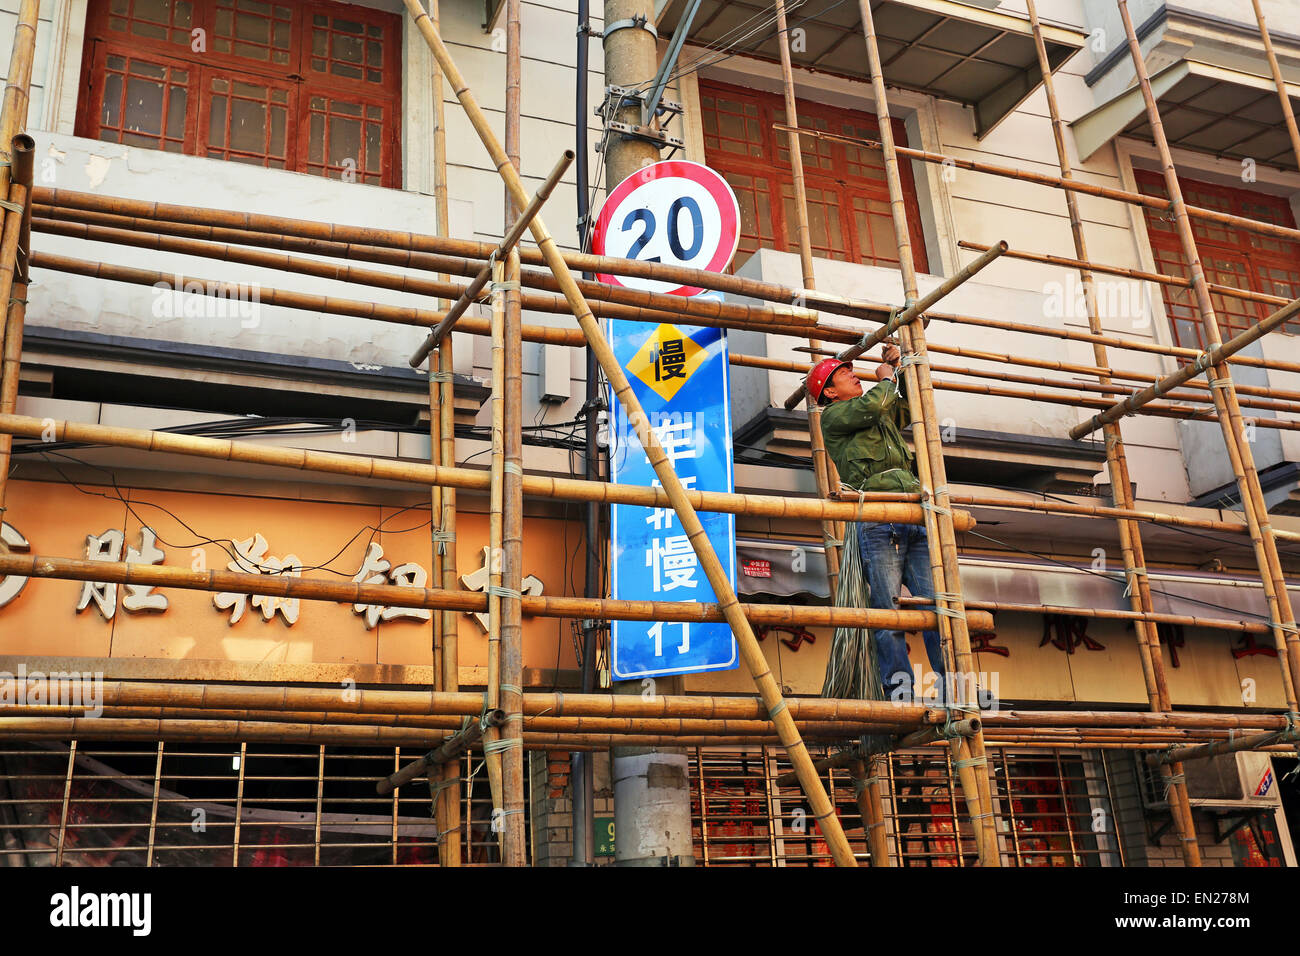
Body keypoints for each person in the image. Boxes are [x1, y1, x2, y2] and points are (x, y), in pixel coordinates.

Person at [806, 346, 948, 704]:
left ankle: (954, 688)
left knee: (939, 606)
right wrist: (885, 379)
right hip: (878, 517)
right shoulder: (835, 416)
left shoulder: (876, 409)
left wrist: (900, 369)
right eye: (844, 374)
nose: (854, 374)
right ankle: (899, 694)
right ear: (830, 392)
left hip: (911, 510)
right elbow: (876, 403)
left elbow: (902, 405)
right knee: (888, 612)